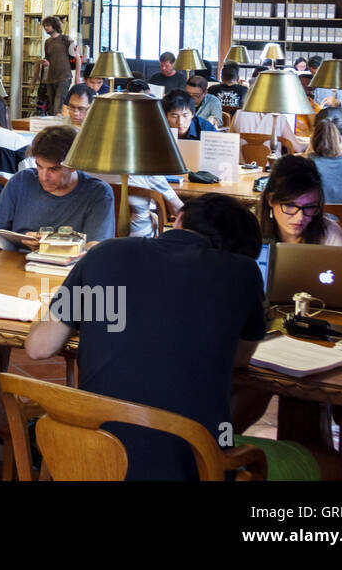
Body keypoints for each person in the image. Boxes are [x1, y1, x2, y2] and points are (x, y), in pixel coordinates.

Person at [24, 195, 268, 480]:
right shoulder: (243, 272)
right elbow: (241, 357)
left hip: (93, 459)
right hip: (190, 466)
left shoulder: (105, 253)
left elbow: (39, 347)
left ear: (178, 220)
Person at [0, 125, 115, 250]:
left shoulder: (98, 193)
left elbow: (96, 250)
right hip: (16, 266)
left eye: (53, 169)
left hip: (67, 272)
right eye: (39, 166)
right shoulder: (22, 181)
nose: (43, 177)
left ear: (73, 165)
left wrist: (54, 247)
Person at [257, 154, 342, 245]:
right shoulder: (250, 232)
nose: (300, 217)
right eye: (290, 205)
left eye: (309, 207)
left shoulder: (330, 235)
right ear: (270, 199)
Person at [40, 15, 76, 116]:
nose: (46, 28)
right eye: (44, 26)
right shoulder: (47, 42)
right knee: (51, 108)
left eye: (48, 25)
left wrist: (77, 77)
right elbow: (47, 58)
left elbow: (77, 57)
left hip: (64, 77)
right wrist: (45, 62)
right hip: (50, 78)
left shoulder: (66, 39)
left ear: (54, 25)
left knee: (58, 107)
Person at [231, 105, 302, 156]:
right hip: (271, 170)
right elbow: (297, 148)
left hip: (242, 169)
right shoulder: (279, 117)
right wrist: (309, 144)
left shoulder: (238, 114)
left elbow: (229, 142)